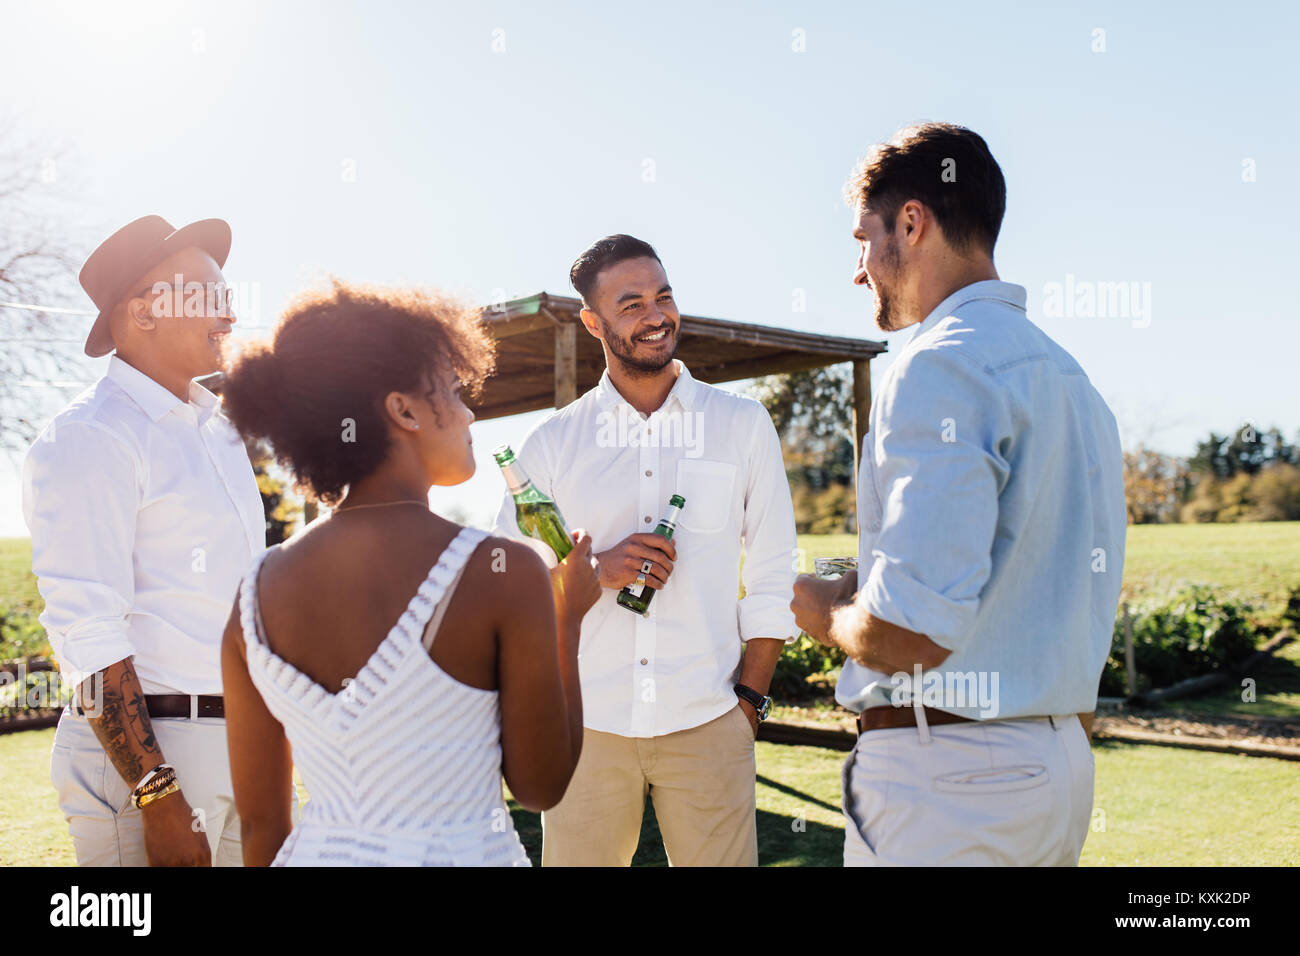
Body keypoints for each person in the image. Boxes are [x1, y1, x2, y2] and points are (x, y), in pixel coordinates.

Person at [790, 123, 1126, 866]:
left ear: (912, 223)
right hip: (1055, 768)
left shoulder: (937, 368)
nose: (858, 270)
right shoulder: (1075, 384)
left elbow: (910, 635)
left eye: (862, 237)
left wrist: (822, 608)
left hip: (947, 781)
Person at [218, 280, 600, 866]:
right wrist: (567, 618)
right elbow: (541, 786)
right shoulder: (501, 572)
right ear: (402, 410)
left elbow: (261, 824)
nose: (471, 412)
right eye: (452, 389)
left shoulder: (255, 593)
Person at [493, 235, 799, 866]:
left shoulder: (740, 425)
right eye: (631, 304)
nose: (656, 316)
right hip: (589, 728)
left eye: (663, 296)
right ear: (592, 321)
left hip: (711, 719)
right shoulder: (552, 443)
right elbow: (502, 581)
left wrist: (748, 705)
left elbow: (773, 574)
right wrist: (595, 569)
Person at [23, 214, 270, 866]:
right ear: (143, 311)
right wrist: (156, 793)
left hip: (242, 746)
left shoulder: (221, 433)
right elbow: (88, 630)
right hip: (150, 759)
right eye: (206, 295)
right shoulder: (91, 436)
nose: (229, 313)